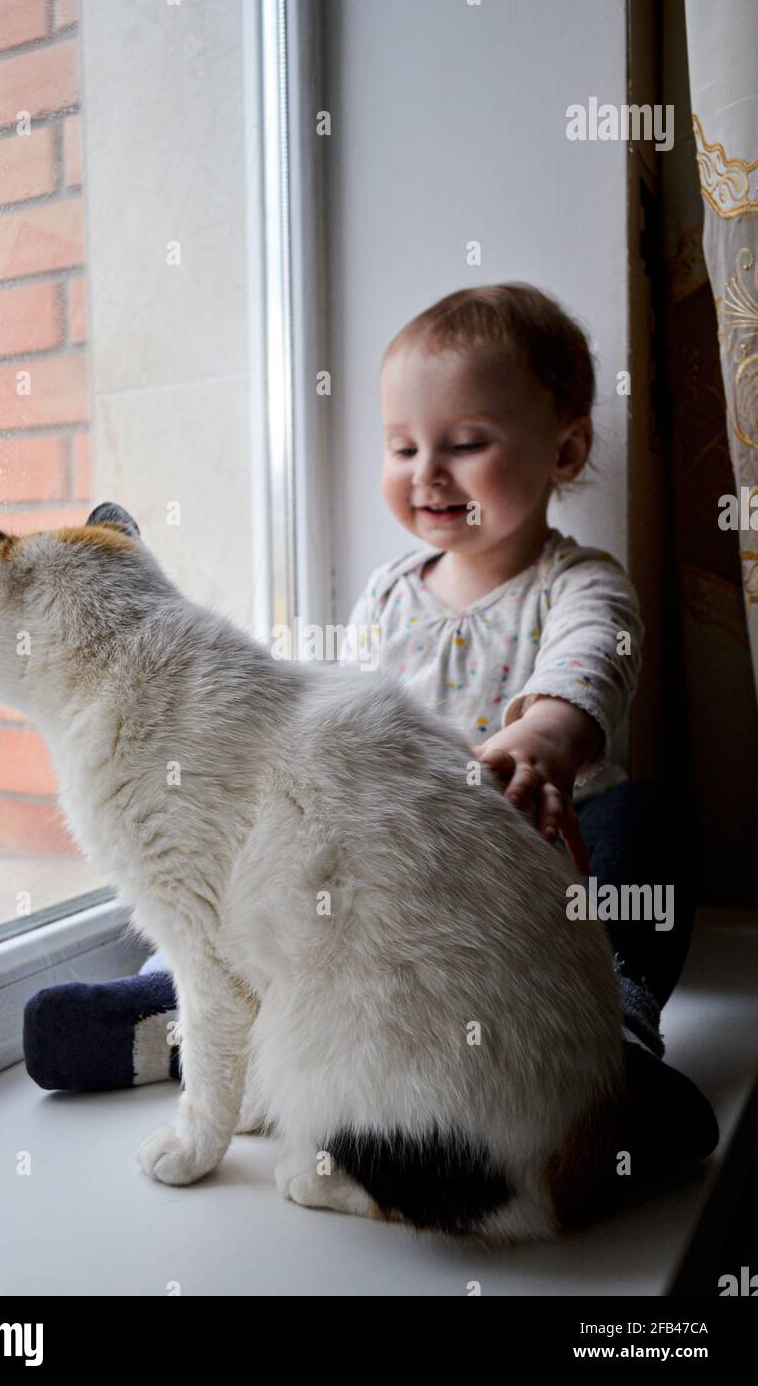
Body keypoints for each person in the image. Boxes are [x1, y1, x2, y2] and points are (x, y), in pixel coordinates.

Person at [338, 280, 717, 1172]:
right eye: (402, 447)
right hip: (430, 879)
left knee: (648, 822)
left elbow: (594, 659)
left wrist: (540, 742)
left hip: (559, 869)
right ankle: (181, 1014)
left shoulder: (580, 582)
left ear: (566, 448)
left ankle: (612, 1035)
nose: (427, 471)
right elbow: (350, 725)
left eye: (465, 444)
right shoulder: (386, 596)